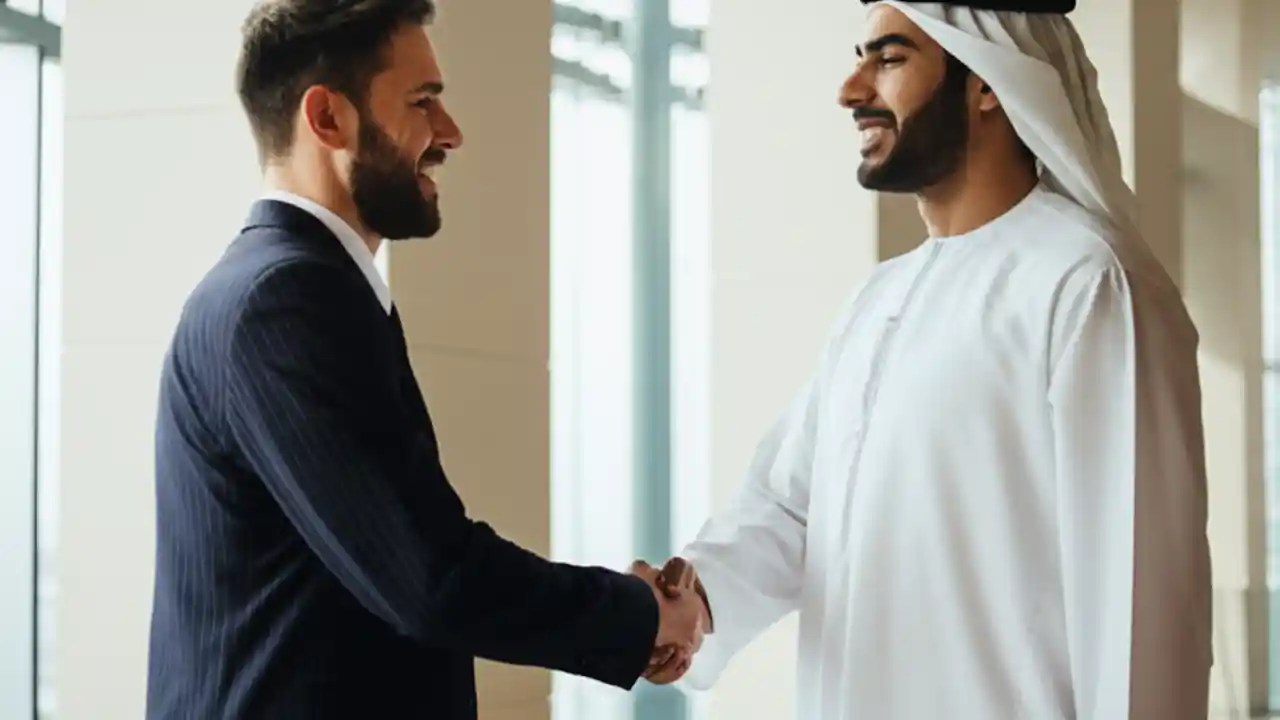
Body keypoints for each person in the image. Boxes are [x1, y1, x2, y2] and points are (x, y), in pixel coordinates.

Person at [640, 0, 1213, 717]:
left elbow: (1137, 601)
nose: (853, 90)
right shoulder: (879, 298)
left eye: (889, 59)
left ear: (987, 81)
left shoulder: (1089, 282)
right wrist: (689, 601)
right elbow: (792, 508)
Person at [145, 2, 705, 718]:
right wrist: (636, 615)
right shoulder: (286, 299)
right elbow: (429, 577)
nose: (450, 133)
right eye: (424, 102)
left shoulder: (289, 287)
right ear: (327, 119)